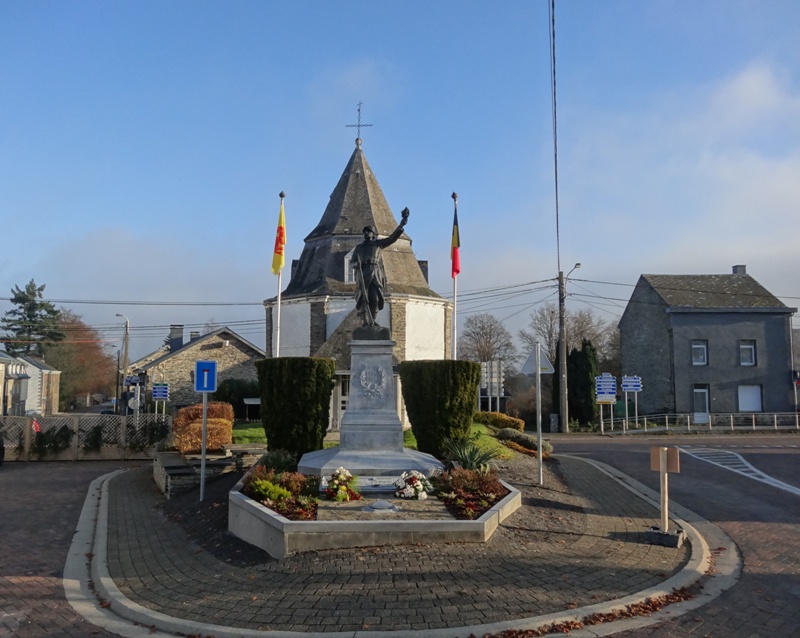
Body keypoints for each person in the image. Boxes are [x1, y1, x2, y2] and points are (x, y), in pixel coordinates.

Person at [351, 208, 410, 326]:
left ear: (373, 234)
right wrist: (356, 264)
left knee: (375, 299)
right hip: (363, 273)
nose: (367, 233)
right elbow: (352, 262)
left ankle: (372, 321)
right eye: (365, 231)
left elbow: (392, 238)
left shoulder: (378, 245)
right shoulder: (359, 248)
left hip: (375, 273)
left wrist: (402, 223)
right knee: (363, 299)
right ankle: (365, 322)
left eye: (369, 231)